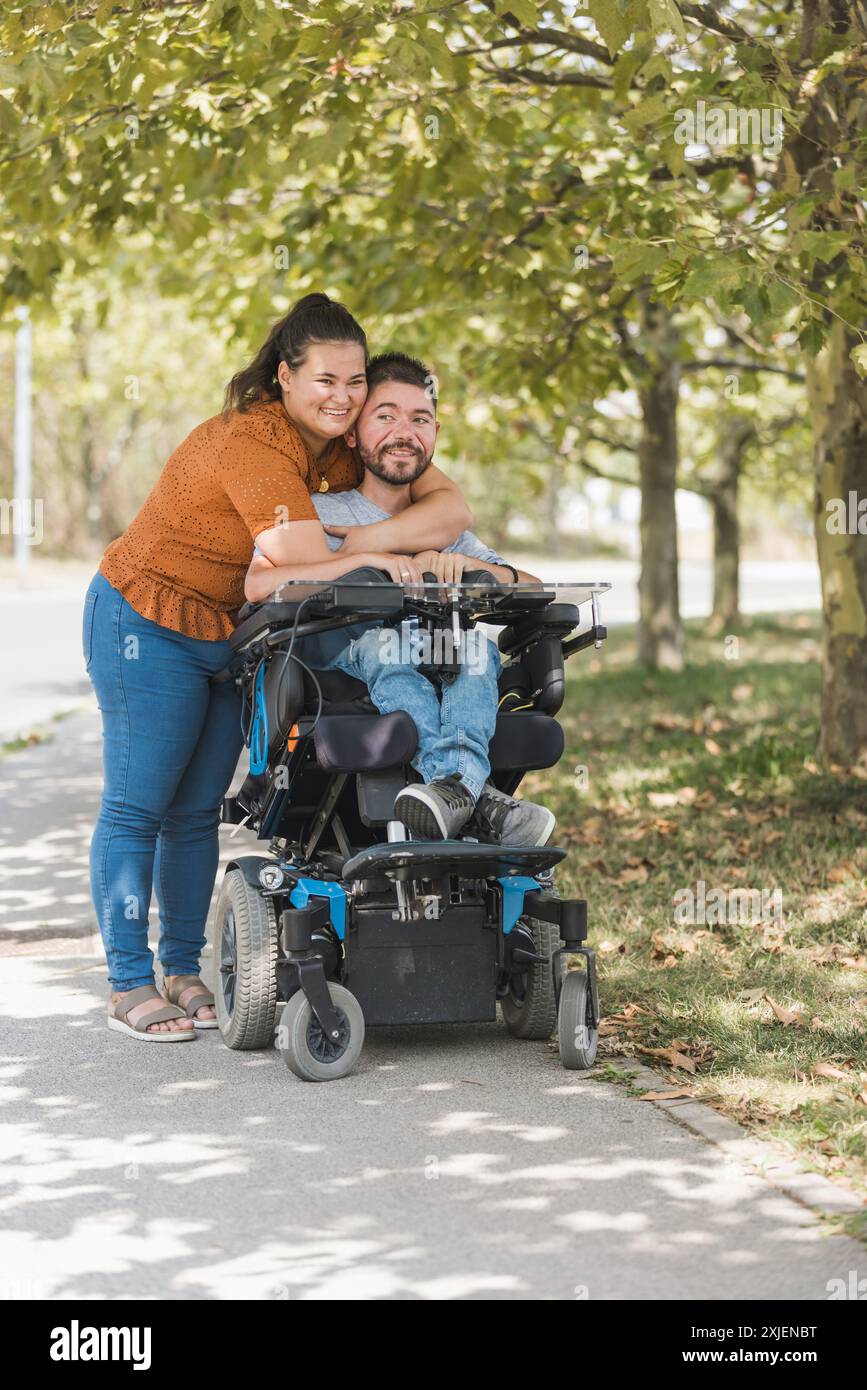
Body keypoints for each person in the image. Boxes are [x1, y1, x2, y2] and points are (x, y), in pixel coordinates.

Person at [83, 294, 473, 1041]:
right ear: (285, 377)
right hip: (145, 618)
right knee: (140, 805)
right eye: (326, 380)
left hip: (229, 630)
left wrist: (372, 540)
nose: (345, 397)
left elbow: (448, 507)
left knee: (196, 810)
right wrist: (381, 554)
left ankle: (182, 967)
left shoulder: (333, 445)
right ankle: (129, 981)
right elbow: (298, 556)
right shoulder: (251, 441)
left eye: (356, 381)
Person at [246, 352, 556, 847]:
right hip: (343, 669)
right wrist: (358, 562)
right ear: (352, 434)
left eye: (421, 419)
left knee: (478, 650)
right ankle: (474, 797)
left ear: (434, 435)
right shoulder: (321, 512)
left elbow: (532, 586)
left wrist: (461, 565)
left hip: (438, 663)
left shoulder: (442, 525)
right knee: (384, 647)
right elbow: (260, 585)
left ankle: (451, 790)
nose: (404, 431)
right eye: (385, 416)